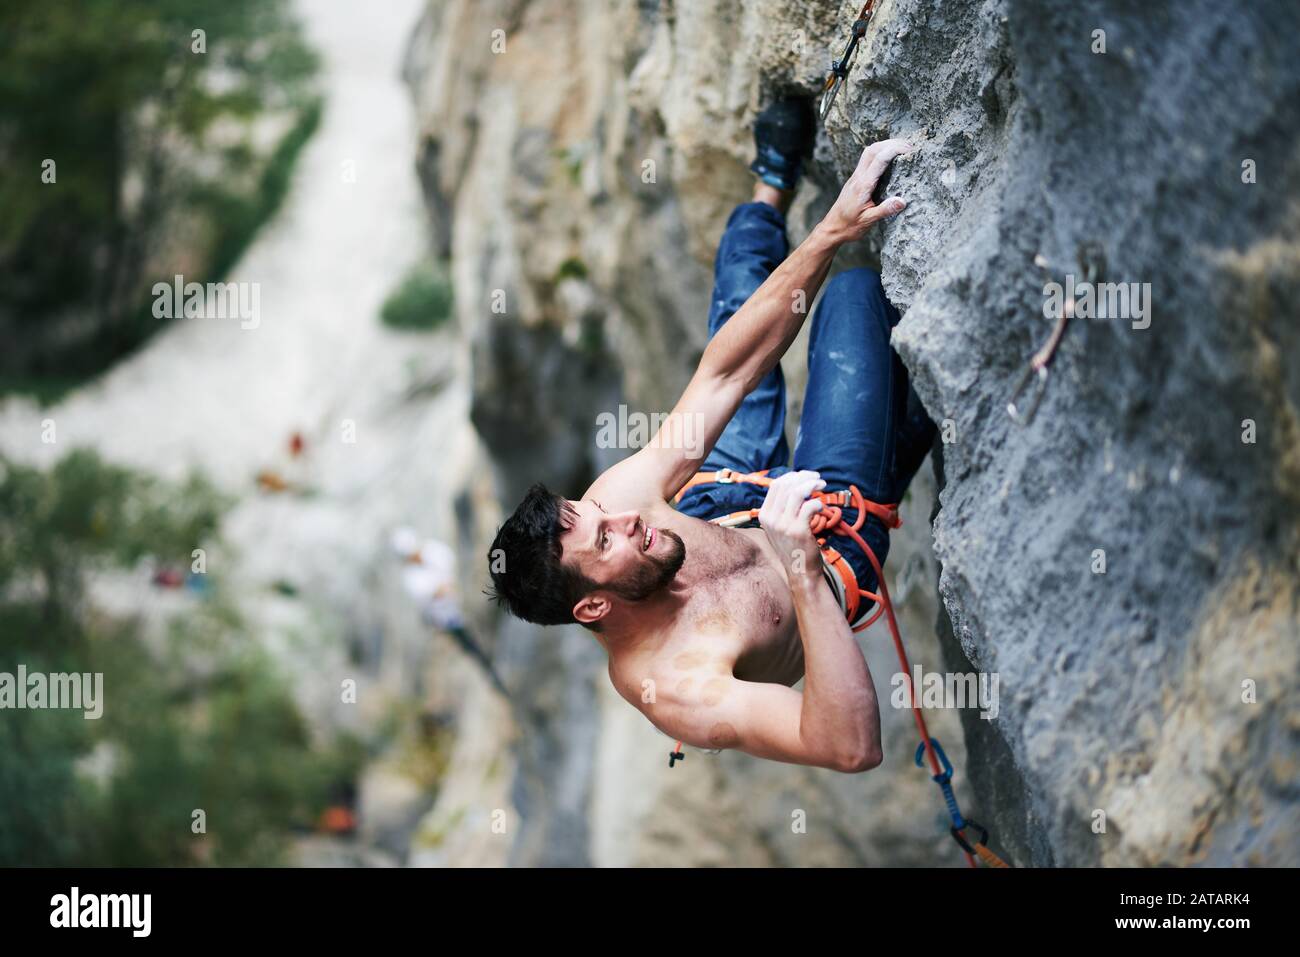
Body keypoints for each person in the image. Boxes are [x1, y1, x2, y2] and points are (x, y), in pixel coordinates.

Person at [488, 99, 935, 772]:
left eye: (598, 511)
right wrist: (803, 570)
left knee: (742, 306)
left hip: (719, 504)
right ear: (591, 605)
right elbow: (849, 747)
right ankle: (902, 429)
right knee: (852, 299)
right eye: (603, 538)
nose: (621, 516)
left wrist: (829, 233)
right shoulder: (678, 685)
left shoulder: (623, 505)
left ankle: (769, 188)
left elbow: (723, 375)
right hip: (826, 546)